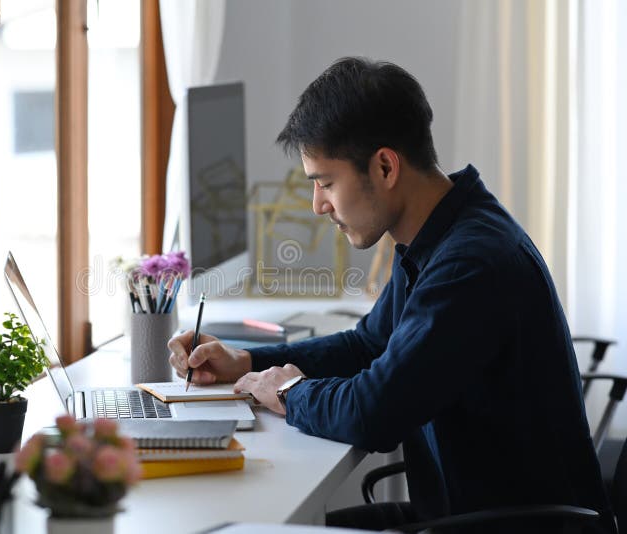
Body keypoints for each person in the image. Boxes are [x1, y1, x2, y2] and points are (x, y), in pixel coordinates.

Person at [168, 57, 613, 533]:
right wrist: (247, 363)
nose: (318, 205)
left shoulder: (470, 263)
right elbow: (368, 346)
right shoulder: (436, 235)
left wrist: (286, 391)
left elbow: (372, 414)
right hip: (459, 513)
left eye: (325, 182)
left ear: (384, 166)